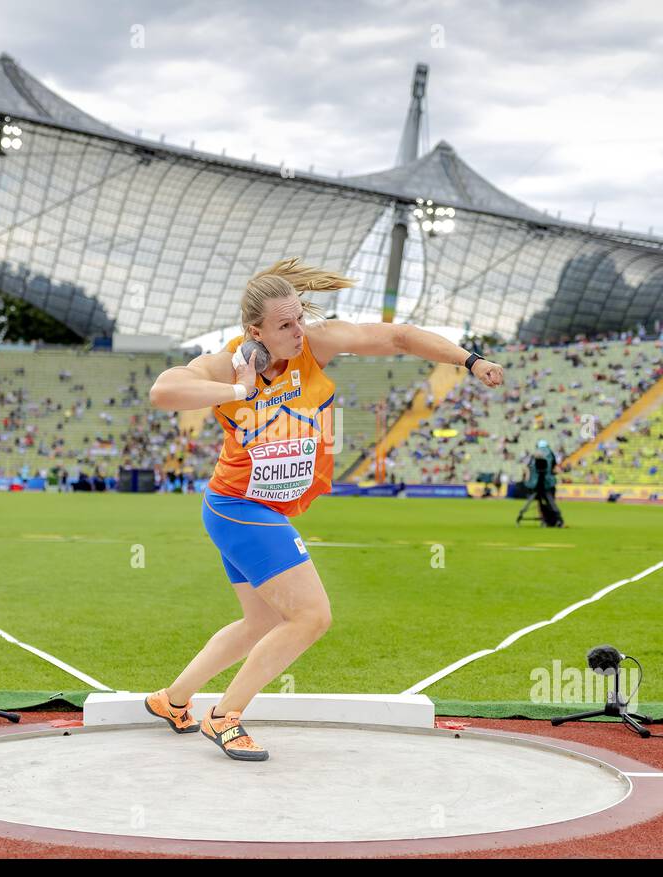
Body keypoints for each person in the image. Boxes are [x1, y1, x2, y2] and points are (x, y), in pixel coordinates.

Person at [144, 257, 504, 761]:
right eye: (285, 325)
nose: (298, 332)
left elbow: (399, 337)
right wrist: (239, 389)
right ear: (256, 330)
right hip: (239, 506)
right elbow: (163, 391)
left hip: (251, 508)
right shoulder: (230, 363)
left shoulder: (315, 345)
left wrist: (470, 361)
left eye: (299, 319)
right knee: (311, 616)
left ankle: (171, 700)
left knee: (260, 623)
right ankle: (225, 717)